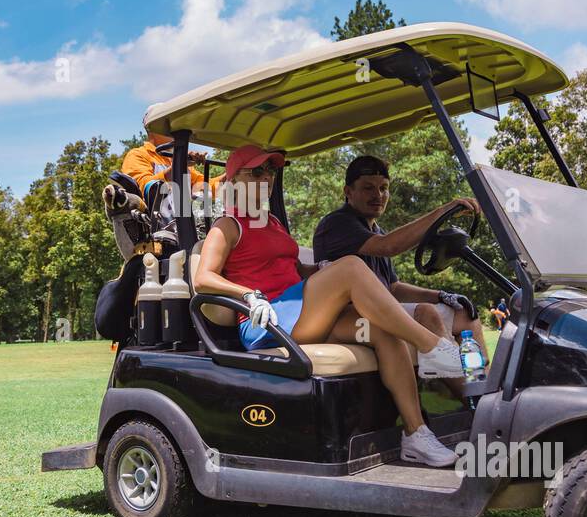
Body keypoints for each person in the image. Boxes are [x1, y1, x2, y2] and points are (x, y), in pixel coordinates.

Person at [192, 144, 463, 468]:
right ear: (234, 180)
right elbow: (203, 279)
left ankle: (415, 434)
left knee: (381, 331)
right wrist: (249, 295)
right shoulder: (228, 225)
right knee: (350, 266)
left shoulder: (273, 223)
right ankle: (433, 346)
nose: (267, 178)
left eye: (270, 172)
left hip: (297, 310)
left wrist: (317, 270)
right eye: (257, 172)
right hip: (268, 320)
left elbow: (290, 271)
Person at [312, 155, 490, 385]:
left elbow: (393, 287)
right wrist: (442, 211)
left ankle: (482, 383)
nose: (378, 195)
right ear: (348, 191)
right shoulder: (337, 224)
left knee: (467, 314)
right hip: (351, 317)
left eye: (384, 188)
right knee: (426, 313)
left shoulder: (376, 229)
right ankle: (471, 399)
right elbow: (389, 247)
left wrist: (441, 296)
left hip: (381, 310)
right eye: (368, 188)